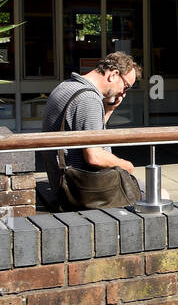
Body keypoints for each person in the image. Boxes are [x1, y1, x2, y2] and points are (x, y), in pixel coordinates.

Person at [42, 52, 143, 200]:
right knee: (158, 194)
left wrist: (109, 110)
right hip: (83, 189)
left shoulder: (67, 86)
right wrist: (126, 166)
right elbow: (94, 157)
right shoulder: (89, 99)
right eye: (126, 86)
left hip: (64, 182)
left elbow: (90, 132)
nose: (123, 93)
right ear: (114, 74)